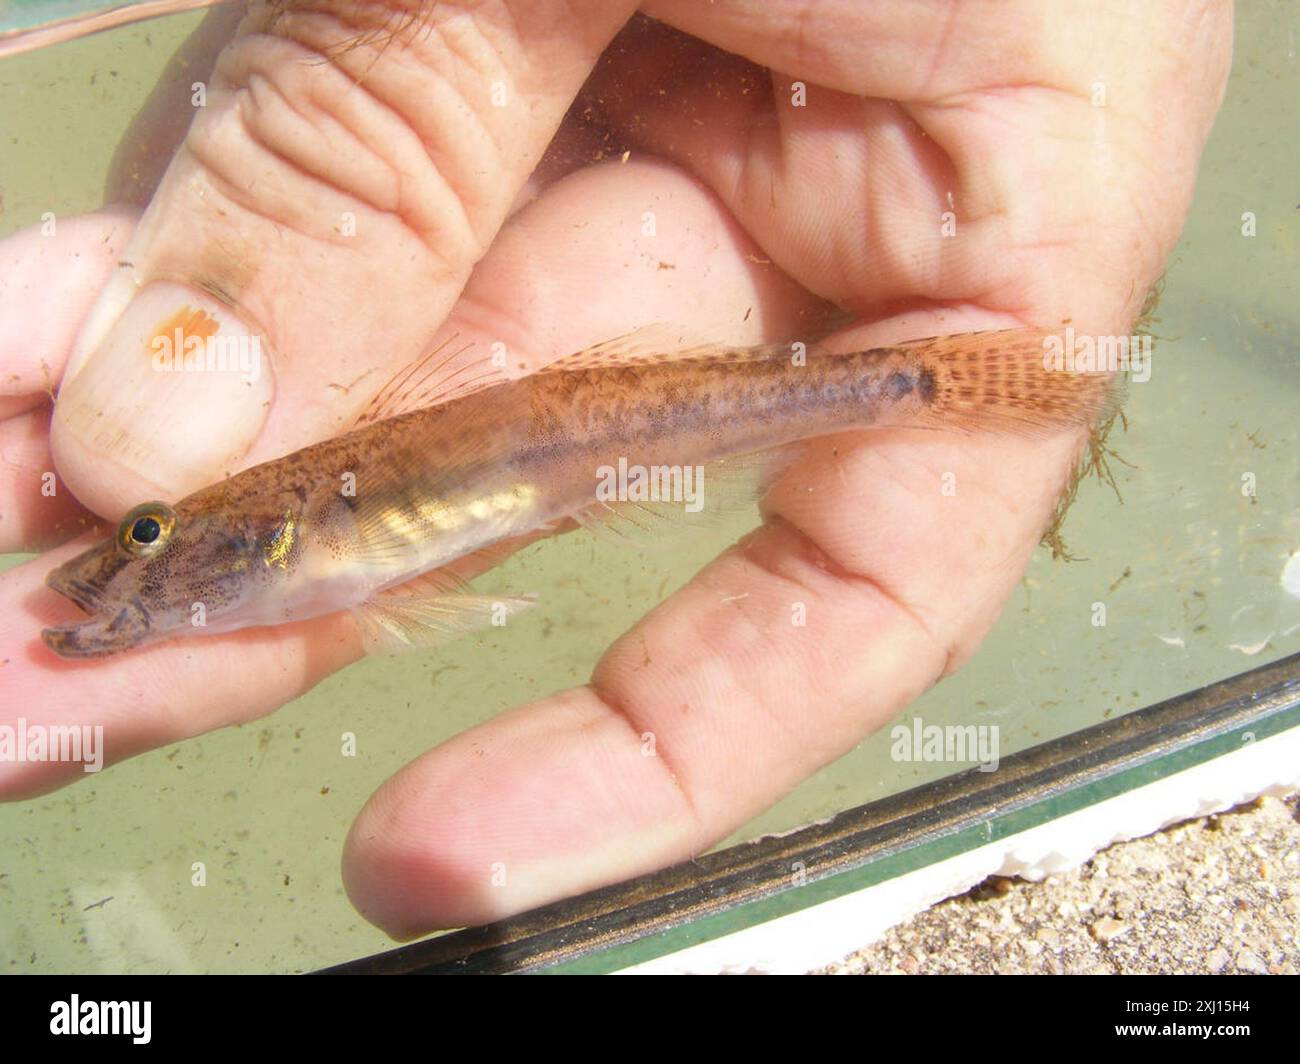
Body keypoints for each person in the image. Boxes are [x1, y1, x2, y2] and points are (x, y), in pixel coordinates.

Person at [0, 0, 1232, 937]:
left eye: (147, 536)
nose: (120, 565)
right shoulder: (275, 540)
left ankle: (931, 385)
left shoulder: (277, 529)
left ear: (242, 526)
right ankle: (924, 387)